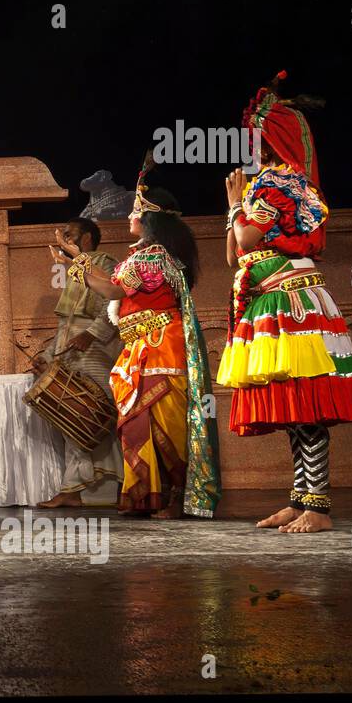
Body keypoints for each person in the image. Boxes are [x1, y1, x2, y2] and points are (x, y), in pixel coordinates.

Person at [219, 72, 352, 534]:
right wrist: (236, 206)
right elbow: (235, 254)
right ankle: (299, 498)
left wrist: (232, 203)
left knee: (305, 404)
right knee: (291, 404)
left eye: (254, 138)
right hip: (268, 300)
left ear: (269, 140)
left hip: (293, 301)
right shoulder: (261, 186)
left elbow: (244, 237)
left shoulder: (279, 184)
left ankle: (319, 507)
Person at [52, 153, 220, 518]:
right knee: (134, 424)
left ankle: (177, 498)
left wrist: (79, 260)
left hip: (161, 347)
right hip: (138, 347)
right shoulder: (141, 256)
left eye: (135, 211)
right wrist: (77, 261)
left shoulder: (155, 257)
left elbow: (112, 292)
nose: (128, 216)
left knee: (166, 423)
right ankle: (147, 496)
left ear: (149, 219)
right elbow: (112, 289)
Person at [37, 217, 124, 508]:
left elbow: (114, 306)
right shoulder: (77, 268)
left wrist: (91, 335)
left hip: (95, 349)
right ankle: (72, 489)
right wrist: (49, 355)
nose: (65, 237)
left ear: (87, 238)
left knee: (100, 415)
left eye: (71, 234)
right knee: (73, 416)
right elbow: (68, 321)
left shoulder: (105, 264)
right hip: (70, 347)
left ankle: (123, 486)